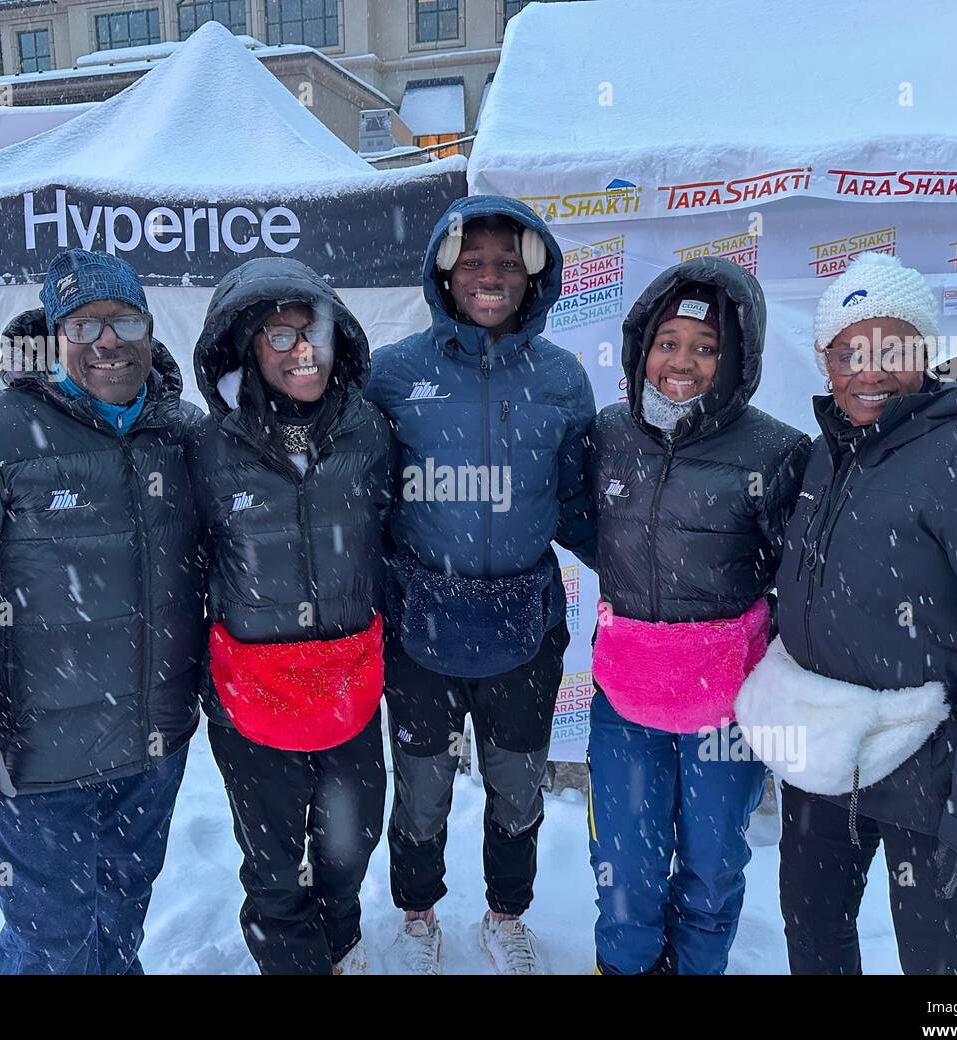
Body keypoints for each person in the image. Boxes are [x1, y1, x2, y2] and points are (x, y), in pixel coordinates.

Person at [736, 251, 957, 975]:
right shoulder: (828, 455)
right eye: (850, 350)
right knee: (814, 937)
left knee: (941, 969)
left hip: (938, 778)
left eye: (893, 345)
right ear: (826, 362)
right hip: (827, 761)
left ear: (926, 352)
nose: (871, 368)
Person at [0, 249, 205, 974]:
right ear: (52, 334)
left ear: (151, 330)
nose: (107, 340)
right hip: (36, 759)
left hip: (152, 746)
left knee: (123, 914)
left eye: (124, 319)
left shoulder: (182, 434)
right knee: (51, 939)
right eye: (84, 322)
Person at [365, 195, 596, 974]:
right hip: (422, 621)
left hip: (524, 625)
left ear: (533, 276)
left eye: (505, 263)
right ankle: (418, 912)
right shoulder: (394, 374)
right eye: (473, 262)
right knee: (422, 786)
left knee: (517, 785)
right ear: (444, 272)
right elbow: (361, 497)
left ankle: (505, 914)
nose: (489, 276)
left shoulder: (562, 380)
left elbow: (579, 504)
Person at [587, 257, 810, 975]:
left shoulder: (775, 451)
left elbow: (795, 576)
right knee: (624, 863)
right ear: (641, 347)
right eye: (669, 342)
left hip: (726, 703)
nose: (682, 362)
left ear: (737, 357)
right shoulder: (609, 434)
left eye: (706, 347)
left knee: (712, 864)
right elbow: (574, 524)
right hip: (626, 696)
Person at [189, 258, 393, 975]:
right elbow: (186, 566)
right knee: (275, 858)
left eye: (317, 331)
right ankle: (294, 960)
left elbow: (393, 538)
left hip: (347, 680)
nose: (303, 350)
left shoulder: (370, 431)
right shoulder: (204, 449)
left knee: (353, 836)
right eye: (281, 335)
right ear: (245, 344)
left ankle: (338, 941)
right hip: (251, 692)